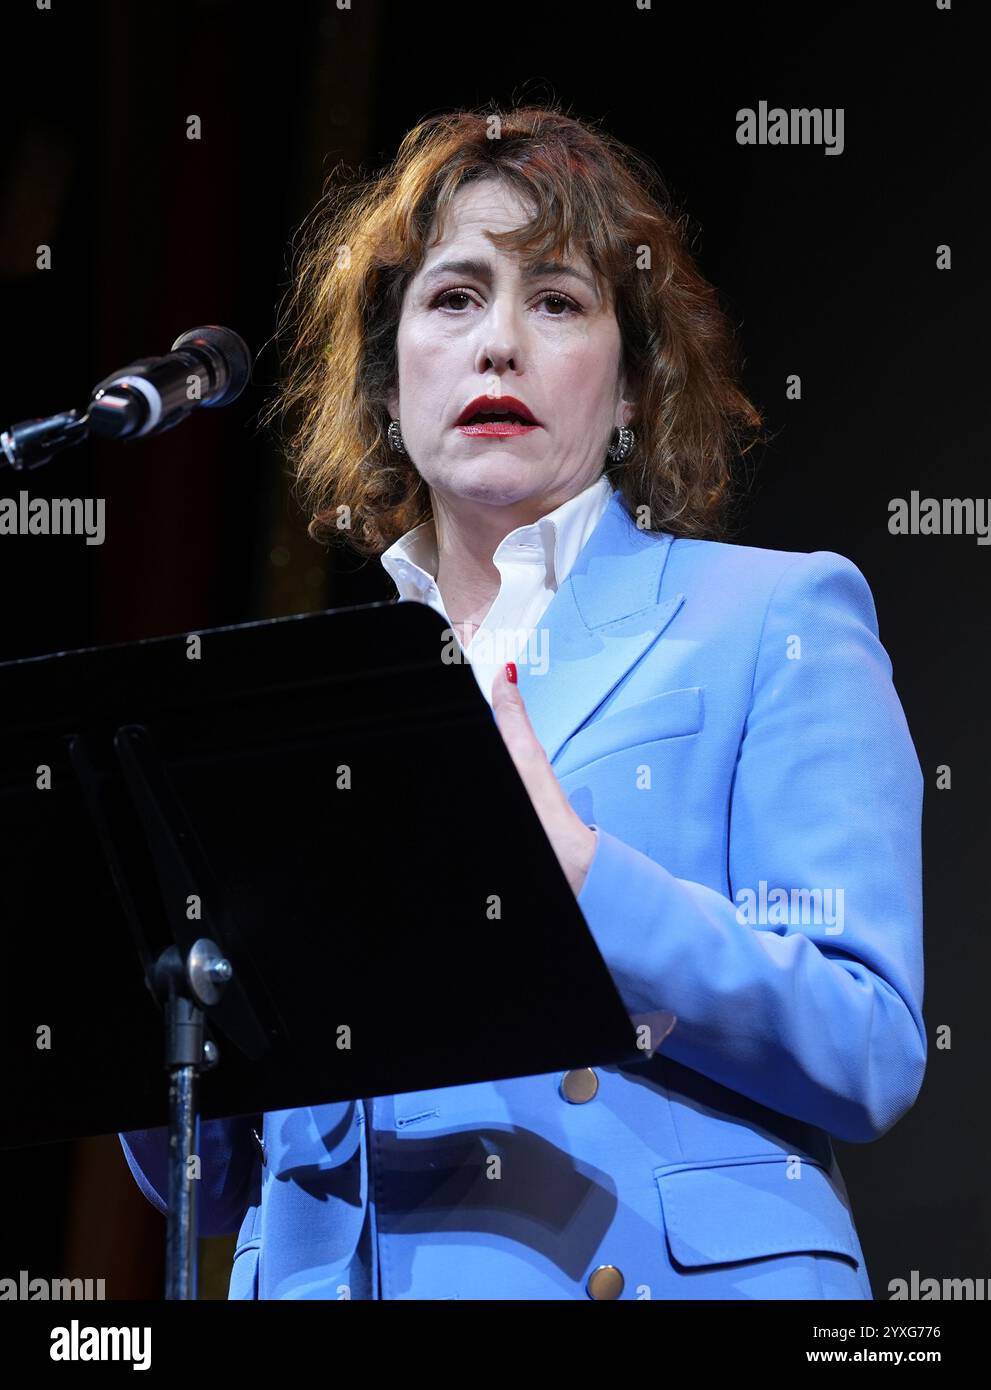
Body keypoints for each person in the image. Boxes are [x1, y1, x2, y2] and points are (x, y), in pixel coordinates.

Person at [119, 104, 926, 1300]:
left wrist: (588, 874)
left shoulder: (775, 615)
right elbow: (213, 1177)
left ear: (637, 385)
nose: (499, 342)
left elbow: (867, 1045)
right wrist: (159, 995)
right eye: (451, 298)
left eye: (556, 301)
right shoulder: (296, 710)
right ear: (387, 383)